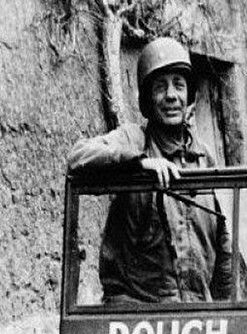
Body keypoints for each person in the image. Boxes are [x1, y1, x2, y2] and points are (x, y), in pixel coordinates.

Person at [68, 37, 232, 304]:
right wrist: (139, 162)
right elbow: (78, 156)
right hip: (138, 320)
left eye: (179, 85)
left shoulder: (204, 159)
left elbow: (224, 246)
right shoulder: (133, 140)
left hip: (195, 318)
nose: (171, 95)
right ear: (147, 99)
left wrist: (229, 315)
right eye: (160, 87)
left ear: (189, 97)